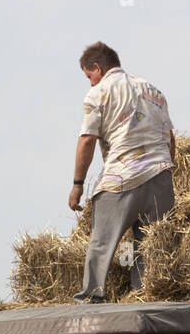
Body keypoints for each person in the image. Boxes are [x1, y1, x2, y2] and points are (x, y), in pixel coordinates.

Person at [70, 41, 176, 301]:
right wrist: (166, 172)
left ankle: (92, 296)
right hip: (160, 176)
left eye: (89, 77)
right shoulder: (154, 90)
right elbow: (170, 138)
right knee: (150, 244)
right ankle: (144, 296)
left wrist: (78, 183)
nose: (90, 83)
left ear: (97, 68)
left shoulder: (100, 92)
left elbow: (87, 139)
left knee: (102, 242)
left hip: (122, 177)